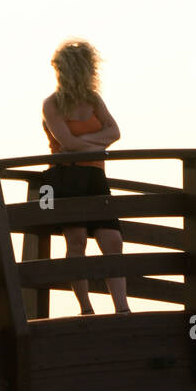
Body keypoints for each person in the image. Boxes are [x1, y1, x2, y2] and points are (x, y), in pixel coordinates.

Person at [41, 38, 130, 316]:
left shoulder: (93, 100)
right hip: (67, 178)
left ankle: (122, 308)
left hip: (94, 176)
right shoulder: (52, 104)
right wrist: (97, 144)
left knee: (112, 241)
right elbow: (65, 142)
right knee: (76, 241)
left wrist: (87, 144)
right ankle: (86, 308)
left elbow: (114, 131)